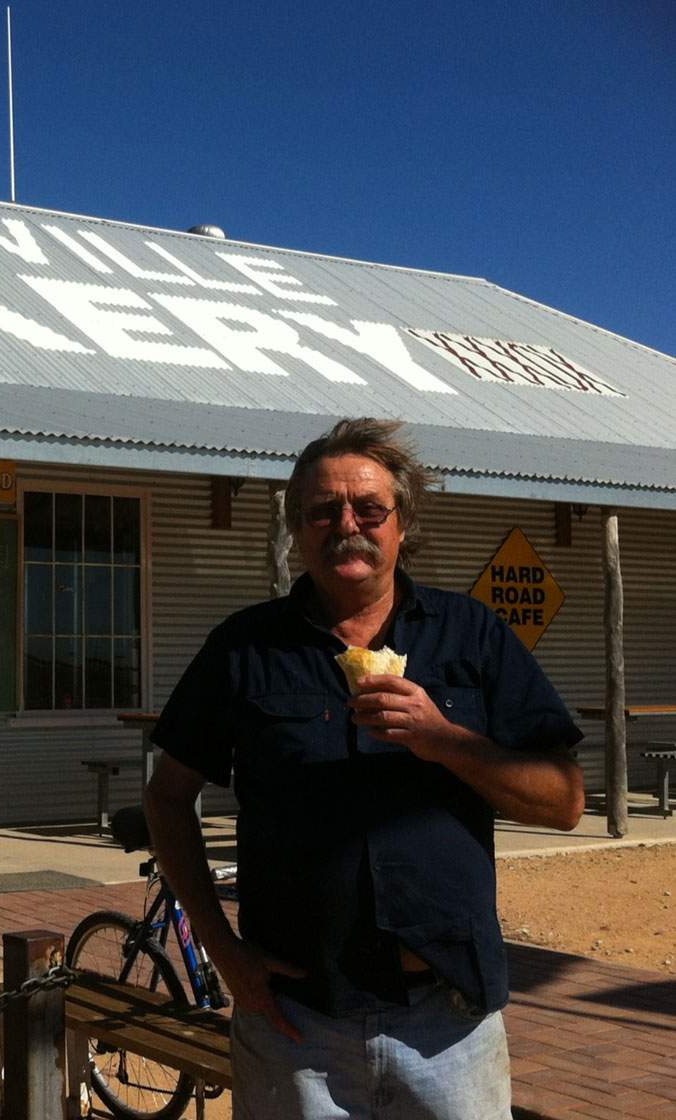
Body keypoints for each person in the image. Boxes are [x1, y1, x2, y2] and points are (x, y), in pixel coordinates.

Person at [145, 417, 584, 1120]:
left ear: (401, 523)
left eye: (368, 509)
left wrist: (446, 740)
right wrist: (224, 951)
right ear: (297, 528)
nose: (346, 524)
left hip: (450, 1023)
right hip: (295, 1025)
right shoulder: (244, 648)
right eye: (322, 511)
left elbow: (564, 802)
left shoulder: (472, 636)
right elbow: (167, 798)